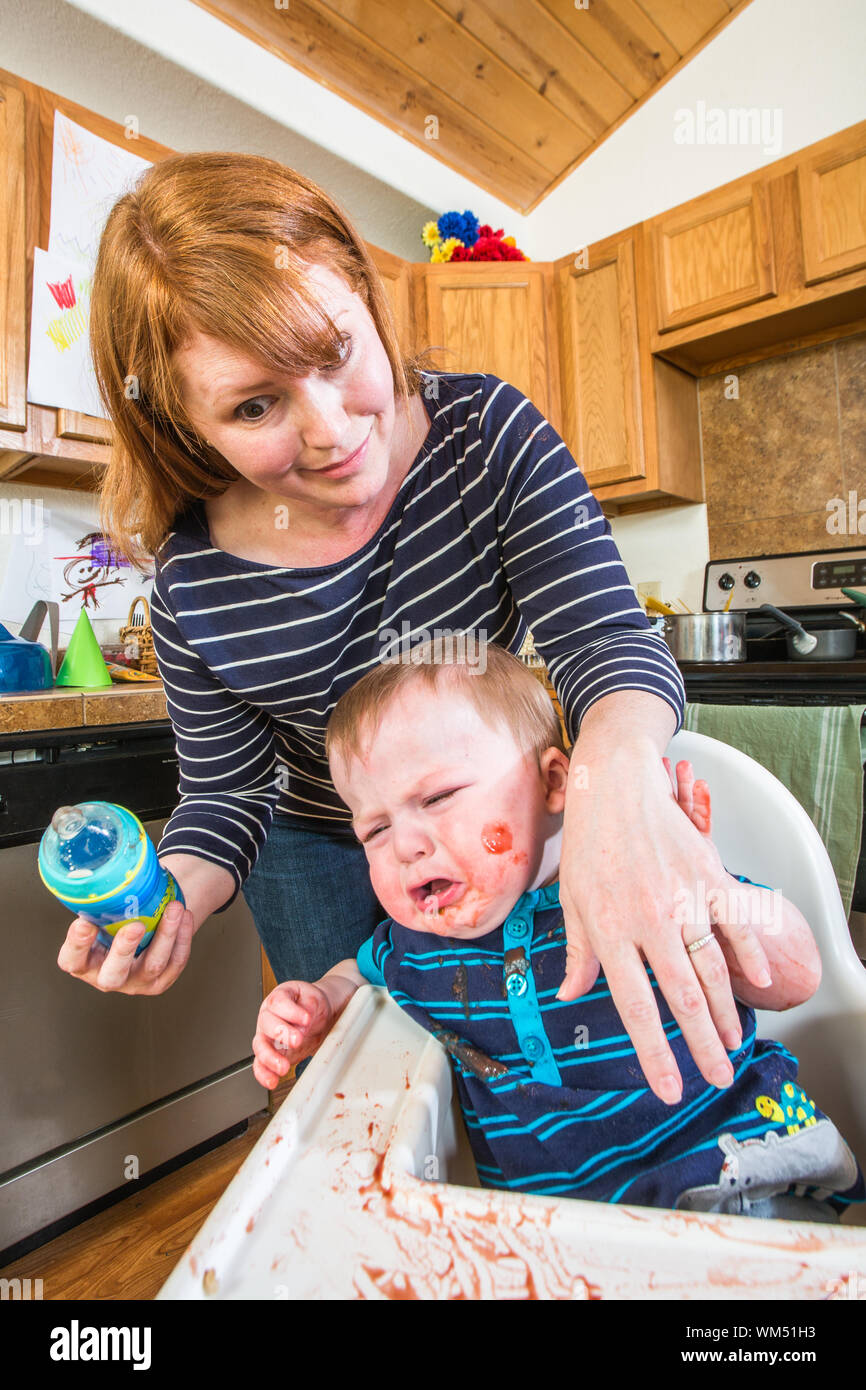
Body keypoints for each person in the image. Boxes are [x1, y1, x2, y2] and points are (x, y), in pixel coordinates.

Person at [59, 150, 769, 1106]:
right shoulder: (194, 581)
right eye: (256, 405)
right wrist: (171, 901)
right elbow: (226, 800)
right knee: (376, 1086)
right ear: (187, 428)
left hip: (481, 807)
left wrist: (616, 782)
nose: (333, 430)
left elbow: (604, 643)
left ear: (363, 290)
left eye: (334, 352)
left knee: (532, 1063)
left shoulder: (488, 438)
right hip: (311, 842)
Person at [253, 640, 865, 1219]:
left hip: (746, 1182)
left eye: (437, 797)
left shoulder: (633, 883)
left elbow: (800, 975)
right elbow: (358, 974)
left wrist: (706, 894)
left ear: (553, 782)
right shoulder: (416, 946)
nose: (406, 845)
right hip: (562, 1239)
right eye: (376, 830)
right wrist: (319, 1003)